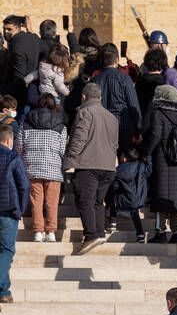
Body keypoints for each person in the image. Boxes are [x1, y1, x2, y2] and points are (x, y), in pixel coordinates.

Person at [140, 84, 177, 244]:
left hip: (163, 159)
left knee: (160, 197)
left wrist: (144, 152)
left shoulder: (158, 113)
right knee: (175, 199)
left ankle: (160, 231)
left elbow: (154, 135)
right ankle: (176, 233)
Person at [64, 82, 119, 255]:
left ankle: (91, 234)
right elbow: (115, 144)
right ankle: (100, 232)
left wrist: (69, 160)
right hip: (109, 166)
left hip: (88, 164)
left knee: (84, 200)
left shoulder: (85, 112)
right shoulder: (112, 117)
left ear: (83, 97)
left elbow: (78, 139)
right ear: (100, 97)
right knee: (97, 201)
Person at [15, 94, 67, 243]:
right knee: (52, 201)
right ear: (53, 105)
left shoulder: (26, 123)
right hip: (53, 168)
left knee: (36, 200)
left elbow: (19, 147)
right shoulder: (61, 125)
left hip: (32, 167)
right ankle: (51, 232)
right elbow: (63, 150)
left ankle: (38, 232)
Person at [91, 43, 143, 153]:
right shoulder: (124, 78)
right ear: (117, 60)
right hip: (123, 127)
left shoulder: (95, 80)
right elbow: (133, 105)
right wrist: (139, 128)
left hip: (102, 128)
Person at [0, 124, 28, 303]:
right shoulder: (14, 157)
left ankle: (4, 292)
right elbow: (24, 186)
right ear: (9, 140)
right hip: (8, 211)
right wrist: (21, 209)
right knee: (7, 250)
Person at [2, 15, 42, 110]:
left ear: (18, 28)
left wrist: (3, 92)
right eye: (4, 29)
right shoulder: (33, 37)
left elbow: (19, 80)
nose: (5, 32)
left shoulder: (17, 48)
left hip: (19, 99)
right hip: (33, 93)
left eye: (9, 29)